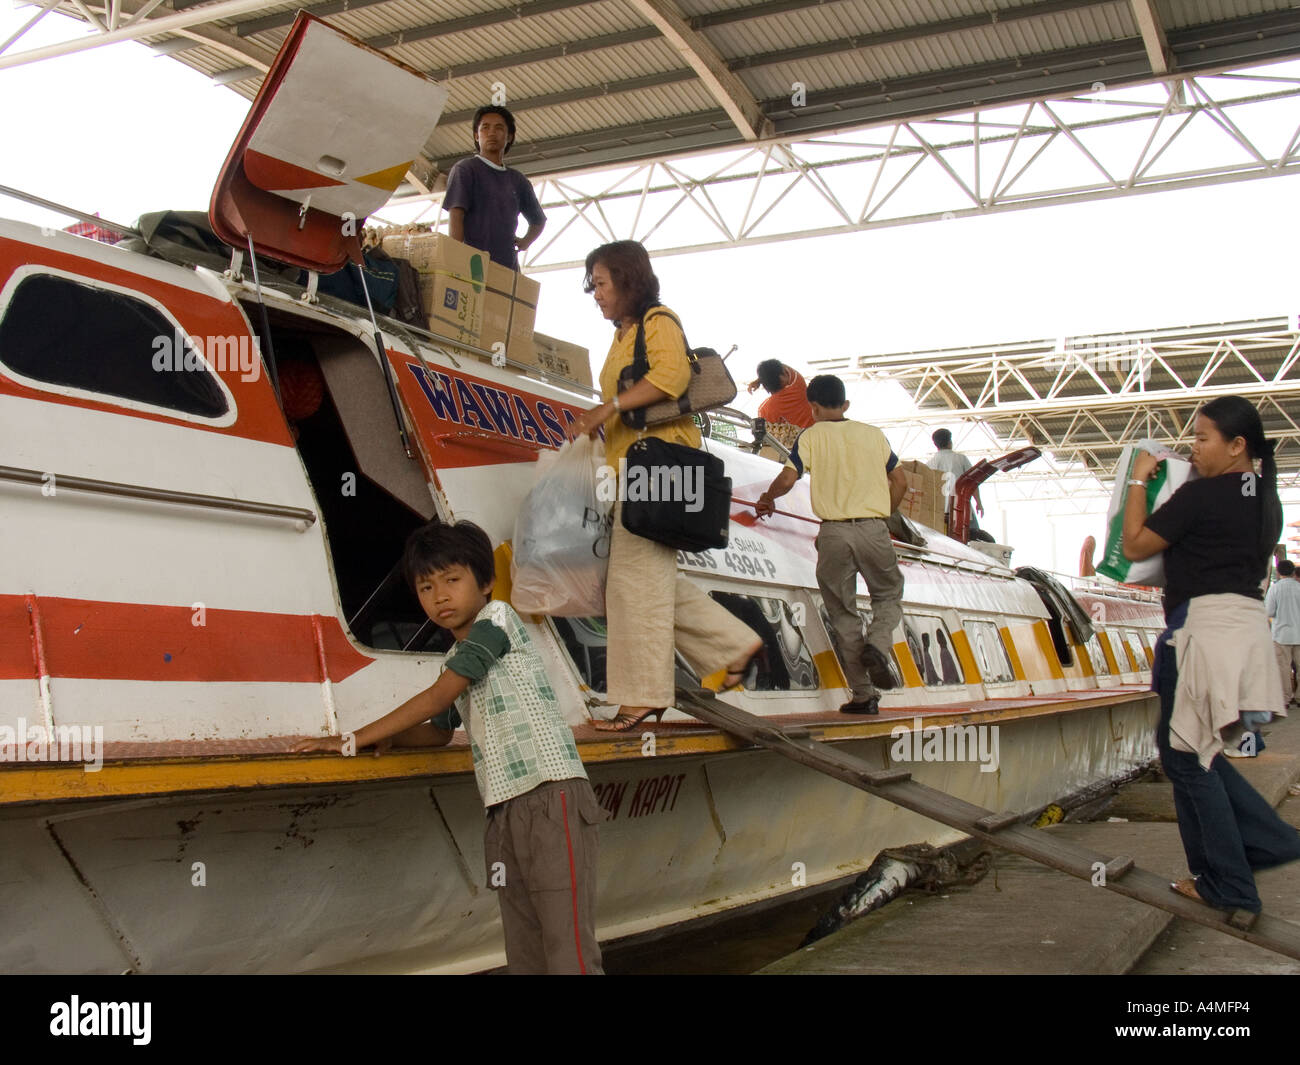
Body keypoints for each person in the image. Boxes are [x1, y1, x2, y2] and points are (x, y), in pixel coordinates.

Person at [292, 520, 603, 974]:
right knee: (526, 953)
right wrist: (392, 738)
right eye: (425, 587)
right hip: (503, 810)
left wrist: (355, 736)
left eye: (452, 581)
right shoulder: (458, 659)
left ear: (486, 583)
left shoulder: (497, 621)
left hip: (551, 797)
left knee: (569, 953)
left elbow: (438, 697)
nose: (439, 597)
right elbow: (438, 728)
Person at [566, 240, 762, 731]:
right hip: (632, 470)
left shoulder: (659, 321)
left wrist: (607, 409)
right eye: (593, 286)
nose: (596, 294)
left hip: (656, 470)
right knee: (645, 579)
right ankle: (734, 647)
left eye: (602, 283)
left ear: (628, 280)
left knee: (635, 585)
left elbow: (672, 378)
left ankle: (642, 698)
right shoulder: (623, 335)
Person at [1121, 395, 1300, 918]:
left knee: (1186, 757)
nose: (1194, 450)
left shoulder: (1204, 495)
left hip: (1201, 630)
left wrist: (1138, 480)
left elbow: (1133, 545)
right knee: (1195, 751)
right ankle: (1265, 845)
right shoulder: (1266, 498)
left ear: (1237, 445)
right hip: (1243, 629)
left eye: (1203, 439)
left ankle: (1229, 883)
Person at [754, 374, 907, 714]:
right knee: (888, 594)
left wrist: (767, 498)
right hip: (873, 529)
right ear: (846, 405)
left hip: (834, 533)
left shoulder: (810, 436)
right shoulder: (873, 435)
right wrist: (883, 513)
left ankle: (864, 696)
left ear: (814, 408)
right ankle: (879, 645)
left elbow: (789, 477)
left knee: (843, 614)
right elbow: (899, 479)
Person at [443, 105, 545, 270]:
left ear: (509, 137)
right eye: (485, 127)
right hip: (472, 266)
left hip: (507, 269)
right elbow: (456, 214)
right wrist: (455, 260)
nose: (491, 133)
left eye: (499, 128)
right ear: (476, 136)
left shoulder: (517, 180)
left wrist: (526, 241)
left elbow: (538, 220)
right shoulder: (465, 169)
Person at [927, 428, 984, 539]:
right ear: (950, 442)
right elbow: (973, 482)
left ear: (936, 445)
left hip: (940, 513)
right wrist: (979, 503)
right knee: (974, 538)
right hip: (961, 510)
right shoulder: (961, 459)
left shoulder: (929, 464)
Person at [1266, 558, 1300, 712]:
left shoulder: (1275, 589)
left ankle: (1285, 699)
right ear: (1293, 572)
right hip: (1299, 633)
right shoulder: (1299, 587)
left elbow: (1269, 611)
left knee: (1283, 668)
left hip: (1281, 635)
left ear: (1278, 572)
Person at [748, 359, 814, 431]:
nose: (786, 371)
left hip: (797, 440)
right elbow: (780, 366)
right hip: (816, 430)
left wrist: (762, 379)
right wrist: (759, 380)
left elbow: (768, 436)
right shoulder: (797, 382)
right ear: (782, 377)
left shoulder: (767, 409)